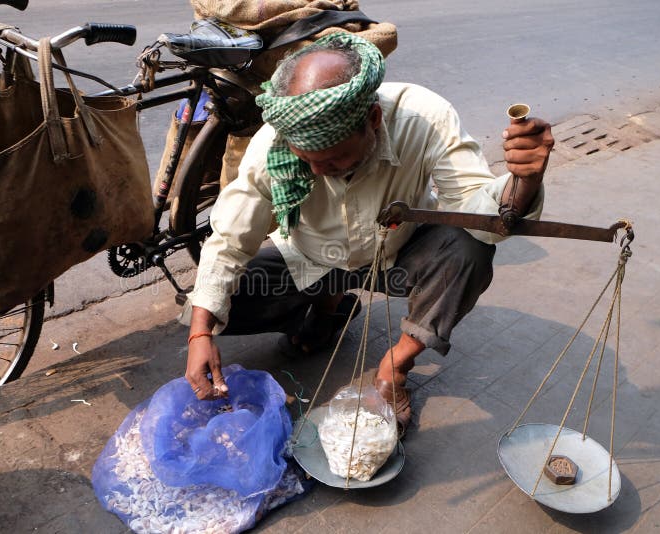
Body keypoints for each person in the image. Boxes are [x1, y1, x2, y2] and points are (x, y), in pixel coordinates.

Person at [181, 32, 554, 430]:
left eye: (335, 157)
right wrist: (199, 335)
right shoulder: (274, 143)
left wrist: (524, 181)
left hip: (398, 256)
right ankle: (331, 307)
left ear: (373, 120)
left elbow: (484, 217)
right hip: (313, 256)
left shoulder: (422, 118)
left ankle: (396, 365)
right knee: (213, 305)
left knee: (469, 250)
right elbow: (228, 242)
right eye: (307, 161)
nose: (319, 170)